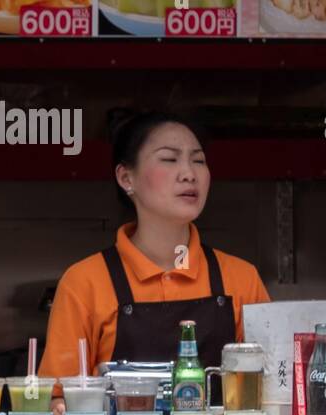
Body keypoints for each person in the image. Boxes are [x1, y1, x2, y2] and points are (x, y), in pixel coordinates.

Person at [40, 110, 271, 393]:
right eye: (169, 159)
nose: (189, 174)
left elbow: (271, 393)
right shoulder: (84, 282)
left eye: (198, 160)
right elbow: (56, 398)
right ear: (127, 178)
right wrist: (59, 406)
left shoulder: (242, 279)